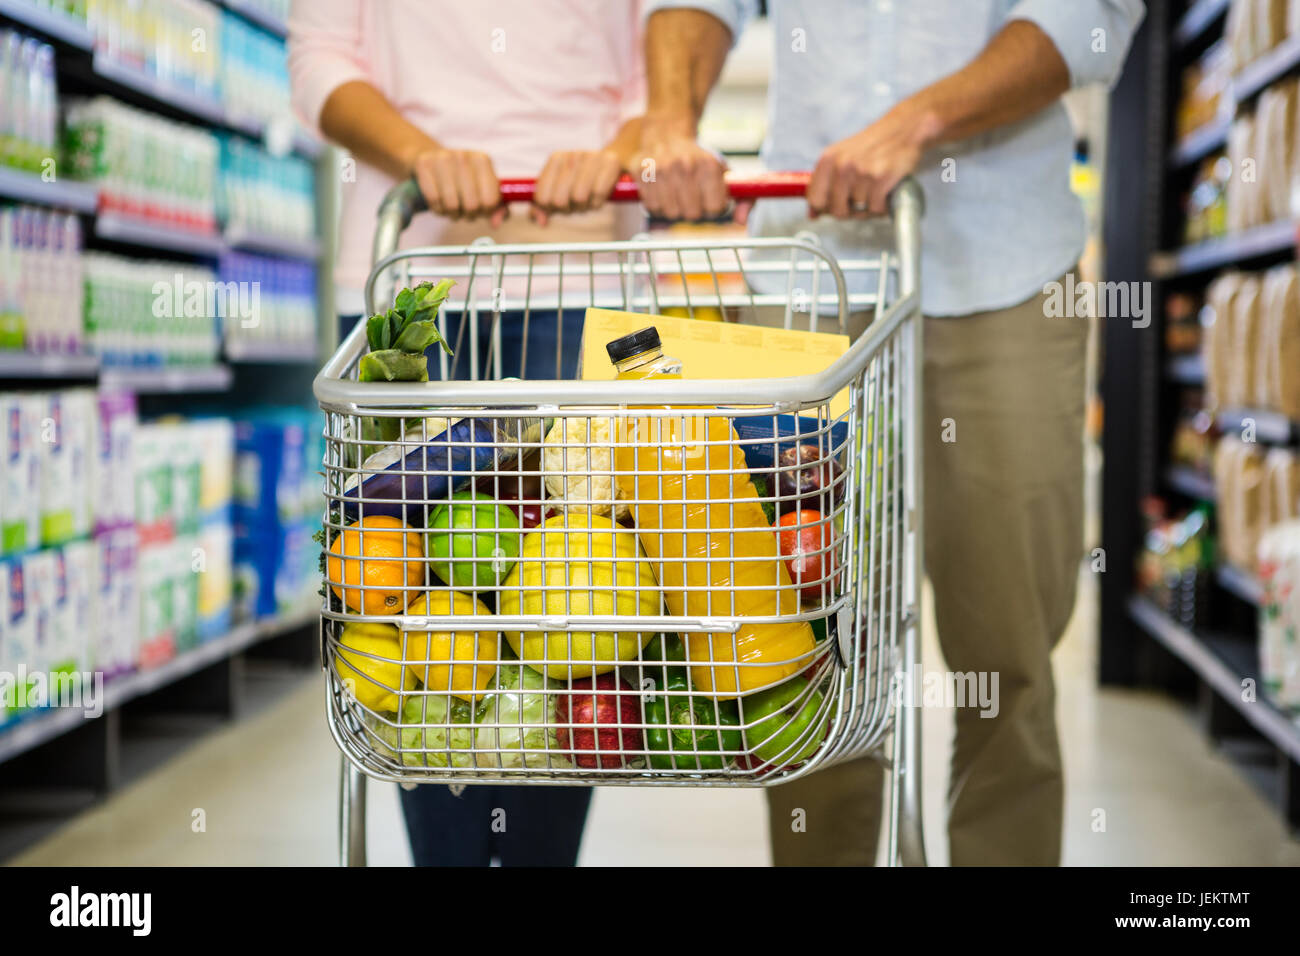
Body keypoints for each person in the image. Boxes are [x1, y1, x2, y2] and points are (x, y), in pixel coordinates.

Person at [634, 0, 1144, 865]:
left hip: (1001, 264)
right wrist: (669, 120)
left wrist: (920, 119)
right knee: (804, 635)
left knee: (1008, 647)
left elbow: (1089, 16)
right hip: (812, 265)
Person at [287, 0, 647, 866]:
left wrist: (616, 156)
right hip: (413, 271)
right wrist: (421, 156)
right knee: (408, 598)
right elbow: (320, 60)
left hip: (580, 273)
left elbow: (659, 75)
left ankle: (540, 856)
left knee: (571, 596)